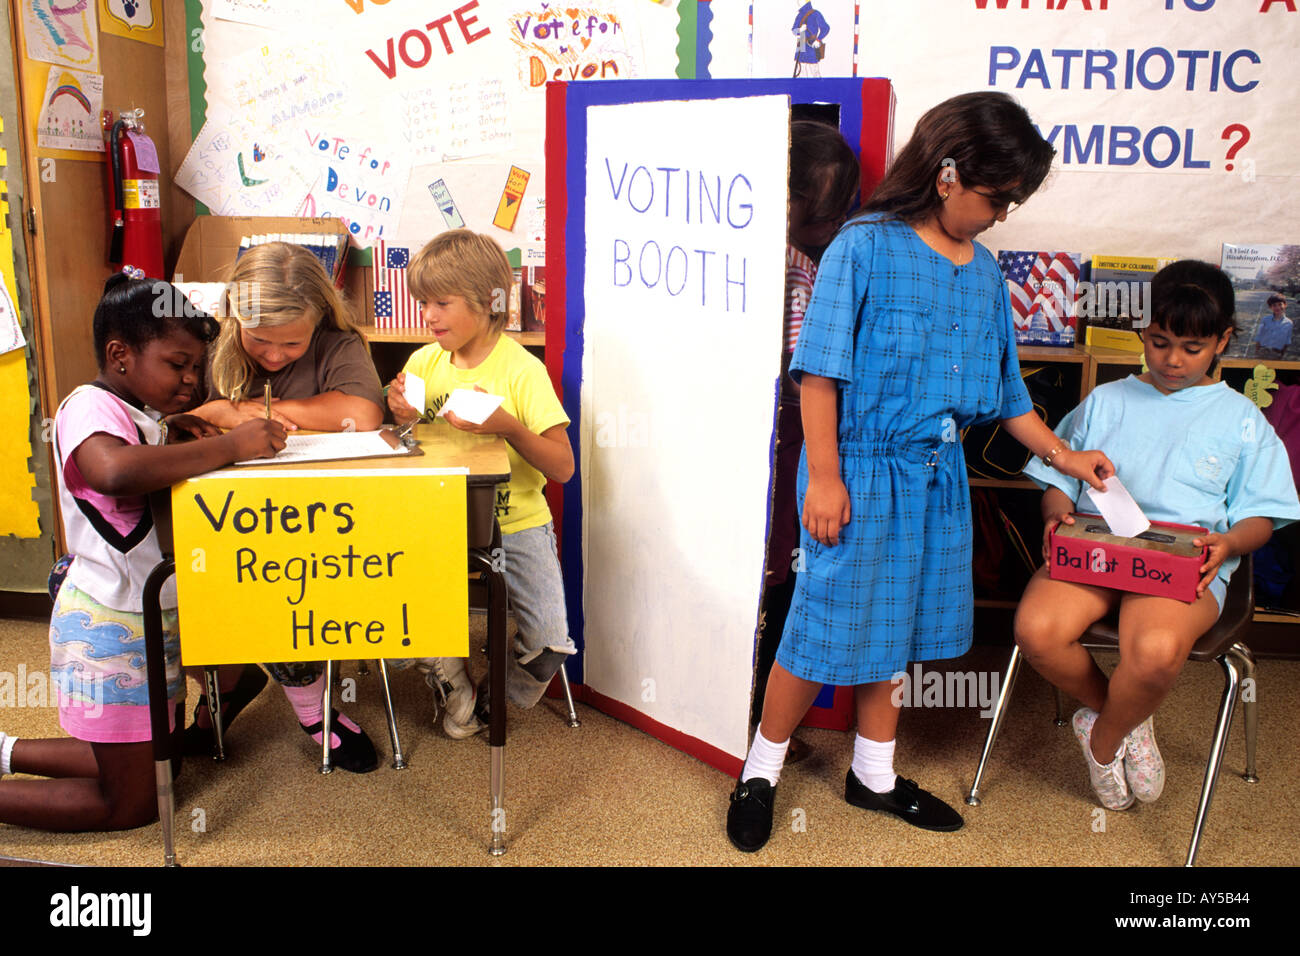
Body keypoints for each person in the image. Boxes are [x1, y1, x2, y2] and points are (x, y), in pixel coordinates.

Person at [725, 91, 1115, 853]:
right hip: (857, 472)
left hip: (936, 482)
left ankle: (873, 773)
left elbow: (1008, 397)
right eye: (997, 196)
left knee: (894, 628)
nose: (1003, 214)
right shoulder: (863, 248)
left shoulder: (984, 273)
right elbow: (820, 376)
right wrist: (828, 476)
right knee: (819, 626)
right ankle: (760, 769)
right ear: (946, 172)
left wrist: (1068, 457)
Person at [0, 274, 284, 831]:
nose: (191, 378)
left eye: (197, 367)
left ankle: (8, 750)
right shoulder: (89, 404)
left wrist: (187, 428)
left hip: (158, 616)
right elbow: (111, 471)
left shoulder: (148, 416)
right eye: (178, 364)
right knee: (133, 805)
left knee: (170, 751)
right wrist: (229, 445)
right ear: (119, 355)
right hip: (112, 624)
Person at [1015, 260, 1300, 810]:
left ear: (1222, 340)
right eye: (1159, 342)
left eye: (1192, 347)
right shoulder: (1107, 400)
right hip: (1097, 547)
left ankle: (1102, 740)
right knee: (1036, 630)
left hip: (1184, 559)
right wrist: (1055, 513)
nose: (1172, 360)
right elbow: (1056, 477)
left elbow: (1261, 515)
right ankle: (1123, 717)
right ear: (1143, 332)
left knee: (1154, 652)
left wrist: (1231, 544)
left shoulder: (1241, 418)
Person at [187, 242, 386, 772]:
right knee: (197, 587)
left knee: (280, 581)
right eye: (259, 341)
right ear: (233, 315)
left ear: (319, 317)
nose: (274, 357)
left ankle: (300, 705)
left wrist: (247, 410)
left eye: (291, 343)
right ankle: (231, 683)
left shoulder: (338, 342)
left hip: (317, 521)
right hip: (219, 516)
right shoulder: (207, 340)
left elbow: (362, 412)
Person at [387, 229, 575, 738]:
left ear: (489, 302)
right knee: (396, 605)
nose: (428, 315)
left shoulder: (522, 371)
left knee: (550, 644)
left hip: (518, 522)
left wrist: (509, 427)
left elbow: (562, 467)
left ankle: (494, 695)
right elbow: (406, 445)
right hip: (439, 521)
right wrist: (402, 416)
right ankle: (453, 680)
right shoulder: (425, 363)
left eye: (441, 303)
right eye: (423, 302)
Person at [752, 119, 860, 732]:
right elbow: (806, 374)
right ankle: (758, 701)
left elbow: (801, 373)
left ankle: (756, 702)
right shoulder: (800, 267)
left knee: (770, 566)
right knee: (776, 567)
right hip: (776, 428)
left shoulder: (793, 265)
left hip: (769, 430)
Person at [1253, 293, 1292, 358]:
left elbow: (1287, 341)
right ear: (1270, 307)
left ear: (1285, 305)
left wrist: (1282, 355)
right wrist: (1256, 352)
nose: (1277, 307)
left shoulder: (1289, 323)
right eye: (1274, 305)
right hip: (1263, 351)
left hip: (1277, 353)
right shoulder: (1265, 320)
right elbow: (1259, 336)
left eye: (1280, 304)